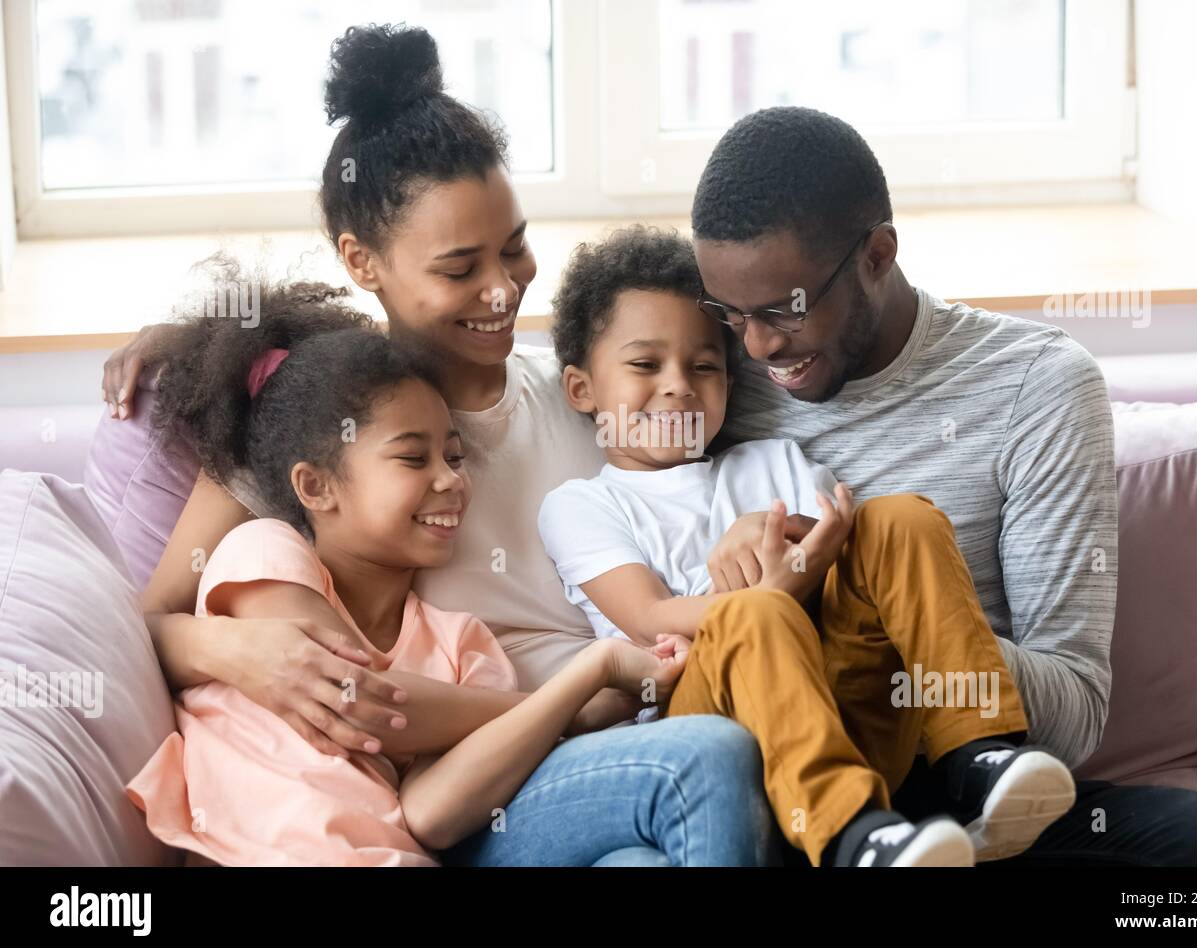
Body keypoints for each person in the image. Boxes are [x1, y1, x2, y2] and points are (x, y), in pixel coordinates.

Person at [110, 25, 773, 868]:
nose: (502, 289)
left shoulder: (582, 392)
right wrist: (242, 652)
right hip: (475, 783)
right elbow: (152, 624)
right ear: (362, 260)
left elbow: (720, 449)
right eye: (460, 269)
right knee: (704, 763)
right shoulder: (321, 428)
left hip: (624, 729)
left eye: (515, 247)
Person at [685, 105, 1197, 865]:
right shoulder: (703, 374)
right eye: (732, 313)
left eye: (784, 311)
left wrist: (907, 622)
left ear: (878, 254)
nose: (758, 345)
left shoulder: (1035, 385)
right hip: (779, 787)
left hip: (970, 786)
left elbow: (1074, 713)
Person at [537, 226, 1078, 867]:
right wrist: (770, 591)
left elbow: (844, 554)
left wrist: (794, 560)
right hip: (712, 728)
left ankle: (976, 752)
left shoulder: (773, 460)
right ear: (581, 390)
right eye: (645, 365)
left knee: (899, 519)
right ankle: (854, 834)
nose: (679, 384)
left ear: (731, 385)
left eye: (704, 365)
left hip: (844, 703)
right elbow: (650, 617)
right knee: (756, 612)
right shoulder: (582, 504)